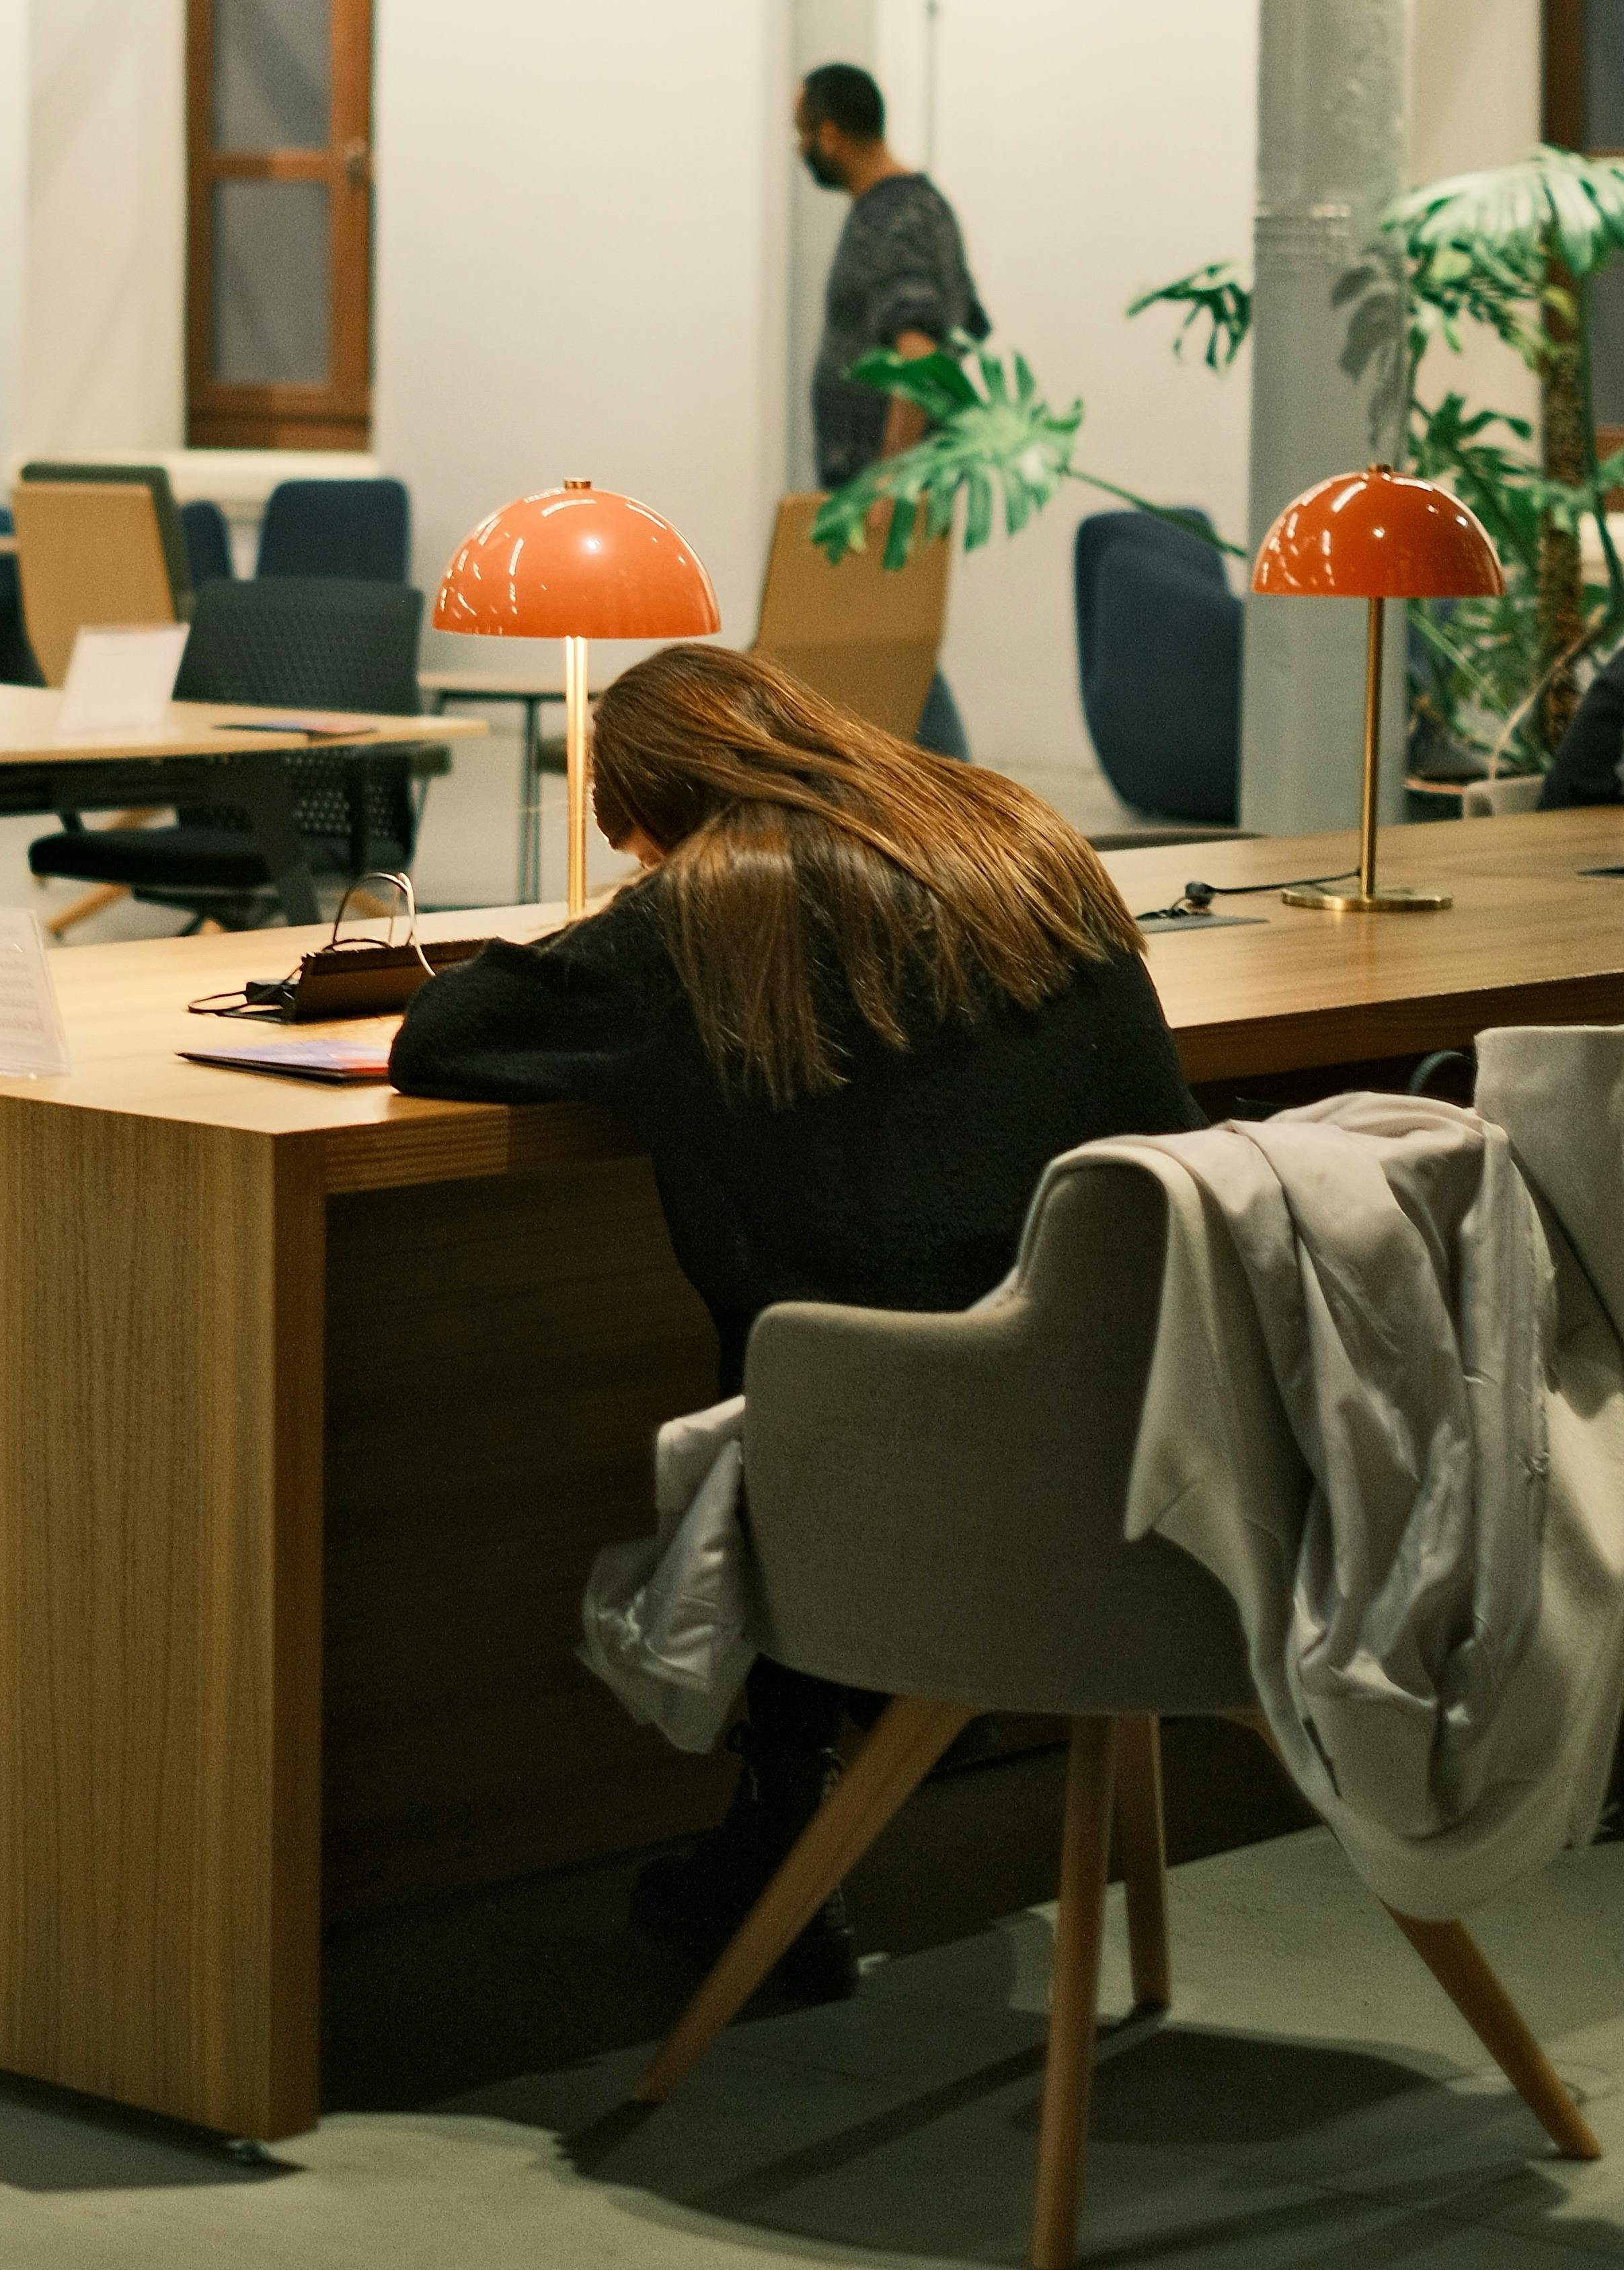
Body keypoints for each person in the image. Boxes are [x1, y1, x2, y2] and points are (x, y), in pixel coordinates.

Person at [391, 644, 1200, 1991]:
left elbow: (443, 1037)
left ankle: (786, 1822)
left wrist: (614, 926)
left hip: (910, 1471)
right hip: (1153, 1443)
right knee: (854, 1287)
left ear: (665, 814)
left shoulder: (714, 910)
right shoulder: (1023, 839)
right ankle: (819, 1796)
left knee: (803, 1326)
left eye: (640, 844)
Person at [796, 61, 987, 756]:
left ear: (831, 133)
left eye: (802, 134)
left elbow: (919, 350)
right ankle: (948, 809)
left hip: (887, 486)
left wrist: (888, 478)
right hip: (898, 480)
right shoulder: (923, 205)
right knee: (896, 659)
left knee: (895, 660)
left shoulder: (894, 216)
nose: (800, 152)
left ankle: (962, 808)